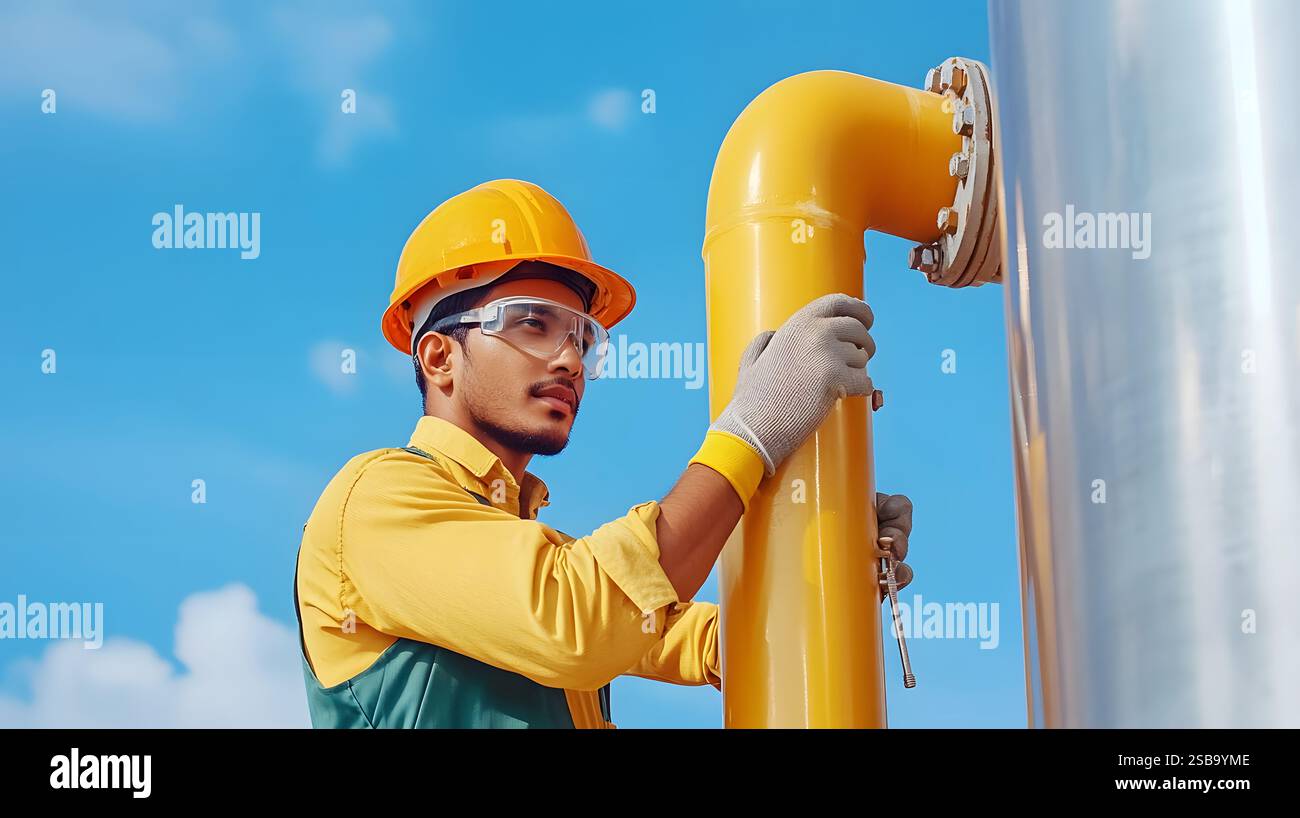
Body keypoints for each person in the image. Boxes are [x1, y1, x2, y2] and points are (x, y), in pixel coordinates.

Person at [294, 179, 914, 728]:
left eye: (582, 337)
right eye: (532, 323)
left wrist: (825, 561)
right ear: (439, 358)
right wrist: (753, 430)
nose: (568, 359)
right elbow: (580, 616)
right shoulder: (374, 500)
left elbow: (685, 631)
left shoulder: (535, 558)